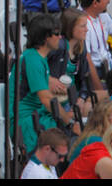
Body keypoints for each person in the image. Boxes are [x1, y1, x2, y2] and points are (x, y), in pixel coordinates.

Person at [6, 15, 78, 154]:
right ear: (45, 37)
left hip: (37, 115)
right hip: (26, 122)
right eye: (56, 34)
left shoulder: (38, 57)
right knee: (71, 141)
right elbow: (46, 99)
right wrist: (69, 122)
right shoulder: (33, 60)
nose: (60, 37)